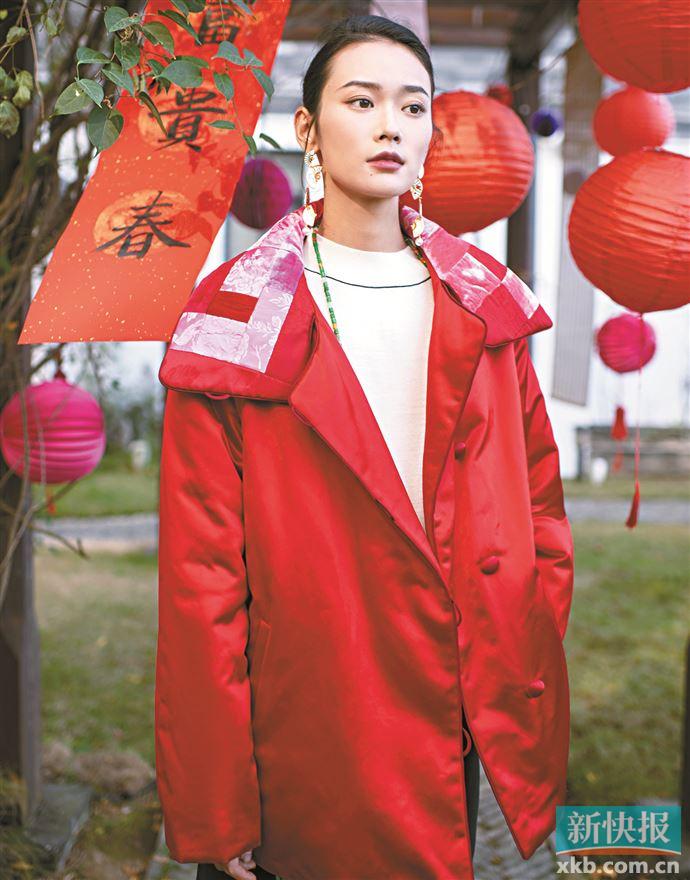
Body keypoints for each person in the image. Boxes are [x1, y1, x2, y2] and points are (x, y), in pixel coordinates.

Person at [155, 13, 574, 880]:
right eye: (361, 101)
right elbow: (200, 583)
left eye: (414, 107)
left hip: (452, 699)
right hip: (307, 717)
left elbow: (539, 509)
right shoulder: (236, 320)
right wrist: (216, 800)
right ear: (306, 128)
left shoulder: (485, 304)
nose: (392, 126)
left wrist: (512, 646)